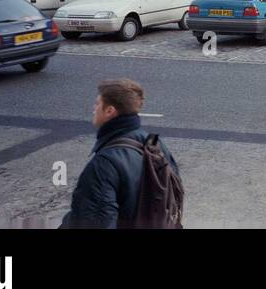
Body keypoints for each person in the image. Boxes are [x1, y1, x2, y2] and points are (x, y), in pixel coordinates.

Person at [61, 79, 182, 229]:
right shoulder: (156, 145)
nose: (94, 108)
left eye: (97, 103)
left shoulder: (104, 164)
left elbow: (95, 221)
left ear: (109, 111)